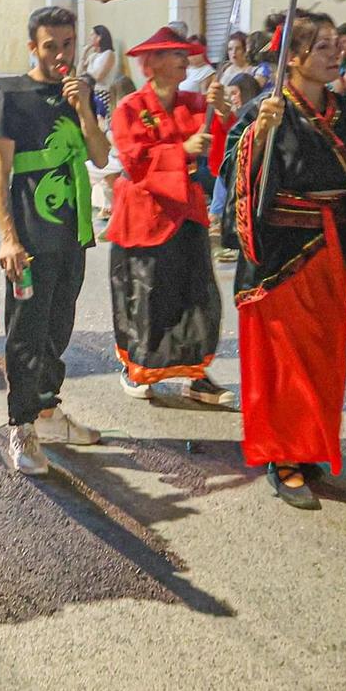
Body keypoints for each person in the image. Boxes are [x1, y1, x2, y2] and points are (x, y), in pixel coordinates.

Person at [232, 13, 346, 510]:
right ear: (295, 57)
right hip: (281, 252)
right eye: (323, 46)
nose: (336, 54)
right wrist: (258, 138)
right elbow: (233, 175)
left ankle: (308, 446)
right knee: (282, 361)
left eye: (337, 45)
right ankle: (283, 457)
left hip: (330, 250)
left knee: (324, 354)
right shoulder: (266, 109)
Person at [0, 6, 111, 475]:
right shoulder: (10, 93)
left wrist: (83, 108)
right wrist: (7, 237)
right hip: (28, 235)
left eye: (67, 44)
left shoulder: (80, 92)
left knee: (58, 327)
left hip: (72, 231)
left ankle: (47, 411)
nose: (60, 55)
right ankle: (21, 426)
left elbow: (99, 157)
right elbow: (0, 169)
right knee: (27, 332)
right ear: (31, 47)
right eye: (49, 46)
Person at [108, 26, 234, 407]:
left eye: (184, 53)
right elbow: (134, 160)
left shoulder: (196, 103)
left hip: (187, 210)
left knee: (197, 294)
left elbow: (218, 152)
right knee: (147, 295)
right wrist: (181, 150)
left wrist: (223, 114)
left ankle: (194, 374)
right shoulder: (130, 107)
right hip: (144, 212)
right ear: (153, 63)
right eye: (174, 53)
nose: (183, 59)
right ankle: (138, 368)